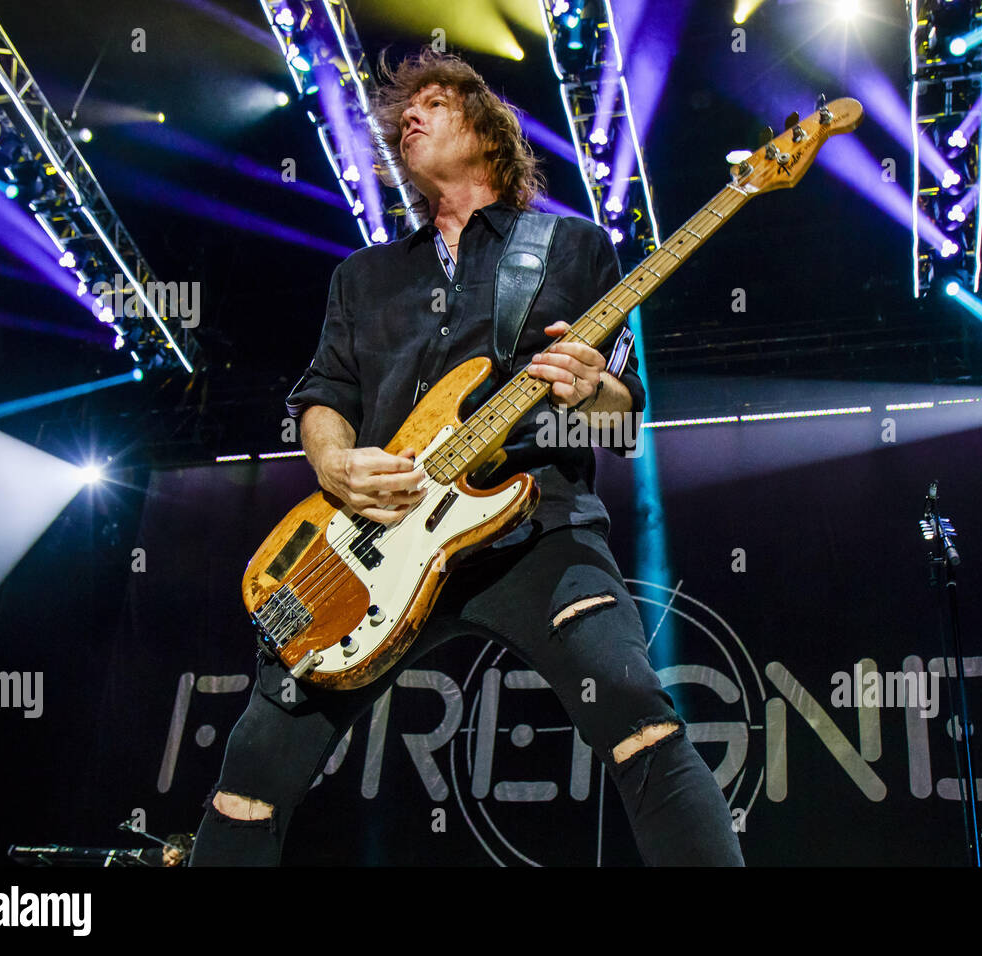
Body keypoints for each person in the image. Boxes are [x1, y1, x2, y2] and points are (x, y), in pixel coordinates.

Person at [188, 50, 743, 866]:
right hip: (375, 549)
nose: (410, 117)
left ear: (487, 129)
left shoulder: (571, 246)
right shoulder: (364, 276)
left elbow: (623, 418)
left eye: (436, 102)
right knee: (253, 763)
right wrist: (334, 464)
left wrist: (591, 391)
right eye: (403, 112)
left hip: (533, 530)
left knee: (632, 704)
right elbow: (321, 398)